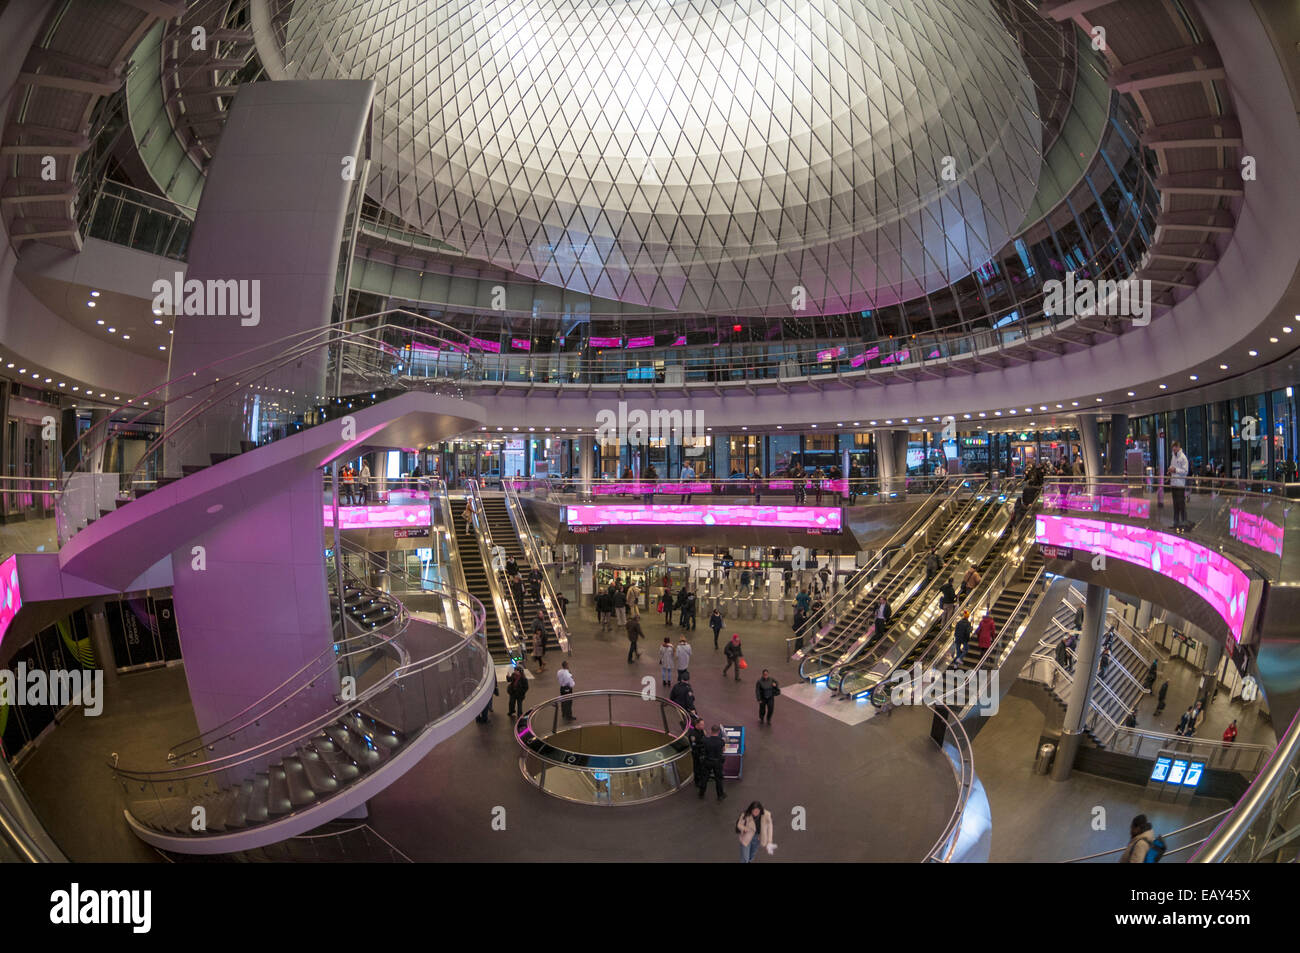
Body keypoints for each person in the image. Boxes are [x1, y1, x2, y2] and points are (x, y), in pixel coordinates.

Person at [698, 724, 727, 800]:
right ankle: (720, 795)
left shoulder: (706, 740)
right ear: (719, 732)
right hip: (717, 762)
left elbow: (703, 742)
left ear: (711, 731)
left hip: (707, 761)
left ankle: (701, 793)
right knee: (718, 779)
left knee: (704, 778)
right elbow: (723, 750)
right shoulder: (721, 741)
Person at [1168, 440, 1190, 529]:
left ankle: (1184, 522)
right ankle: (1176, 523)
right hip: (1174, 483)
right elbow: (1172, 466)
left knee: (1181, 504)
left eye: (1174, 447)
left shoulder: (1183, 458)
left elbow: (1185, 471)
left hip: (1180, 484)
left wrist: (1175, 470)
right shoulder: (1173, 456)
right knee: (1175, 504)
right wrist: (1170, 470)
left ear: (1178, 447)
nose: (1173, 449)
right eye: (1172, 448)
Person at [687, 716, 706, 787]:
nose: (703, 726)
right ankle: (697, 781)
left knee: (702, 767)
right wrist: (703, 744)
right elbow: (694, 745)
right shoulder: (693, 734)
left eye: (703, 724)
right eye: (702, 725)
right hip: (696, 753)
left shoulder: (702, 731)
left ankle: (702, 778)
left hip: (702, 752)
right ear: (697, 725)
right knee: (697, 767)